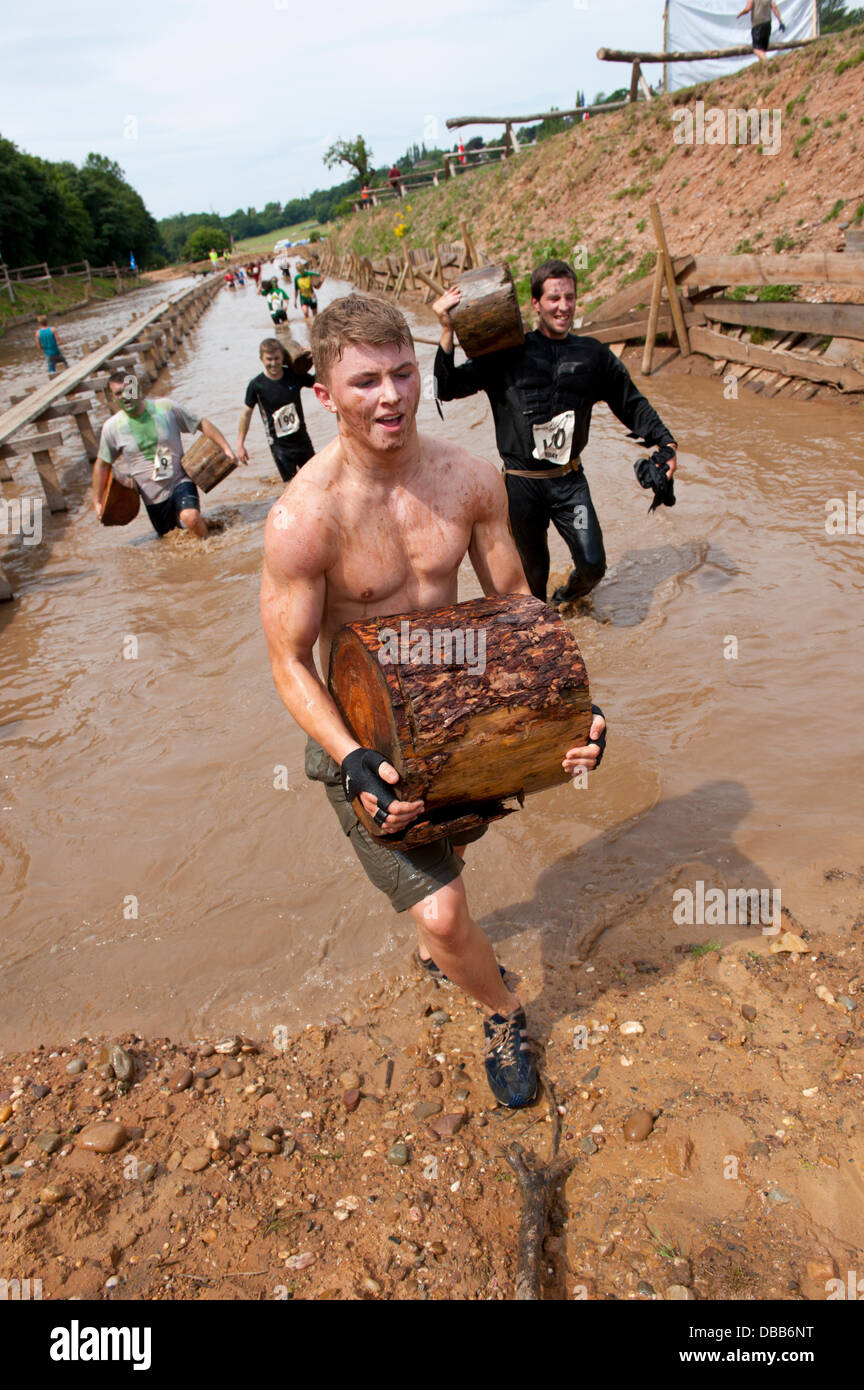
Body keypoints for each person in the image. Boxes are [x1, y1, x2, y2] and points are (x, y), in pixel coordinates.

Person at [260, 295, 607, 1109]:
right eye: (366, 381)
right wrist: (352, 761)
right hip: (361, 734)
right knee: (448, 913)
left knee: (451, 875)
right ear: (324, 394)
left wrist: (577, 710)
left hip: (465, 717)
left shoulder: (468, 480)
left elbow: (517, 610)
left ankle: (435, 939)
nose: (391, 397)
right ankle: (505, 1010)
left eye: (404, 372)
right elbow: (287, 661)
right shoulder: (304, 520)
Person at [433, 258, 678, 607]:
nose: (563, 307)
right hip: (521, 487)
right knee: (533, 580)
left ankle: (567, 597)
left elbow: (631, 402)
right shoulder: (506, 355)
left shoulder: (592, 356)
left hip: (569, 483)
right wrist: (446, 330)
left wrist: (666, 444)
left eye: (570, 298)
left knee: (593, 565)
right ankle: (546, 633)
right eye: (554, 299)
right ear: (535, 303)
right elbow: (446, 387)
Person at [93, 370, 237, 539]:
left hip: (179, 480)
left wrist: (226, 449)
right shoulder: (112, 428)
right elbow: (102, 464)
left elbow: (201, 423)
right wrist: (97, 501)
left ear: (138, 390)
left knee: (191, 518)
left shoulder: (165, 408)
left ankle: (210, 549)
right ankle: (207, 529)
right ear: (112, 398)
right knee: (169, 537)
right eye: (118, 393)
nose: (125, 396)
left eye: (128, 390)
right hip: (151, 496)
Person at [238, 338, 316, 482]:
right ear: (261, 359)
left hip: (302, 439)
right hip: (280, 447)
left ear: (283, 357)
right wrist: (240, 444)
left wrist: (315, 355)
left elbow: (318, 381)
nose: (273, 363)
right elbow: (246, 414)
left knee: (316, 479)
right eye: (269, 359)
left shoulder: (294, 374)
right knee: (291, 485)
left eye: (277, 358)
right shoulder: (256, 386)